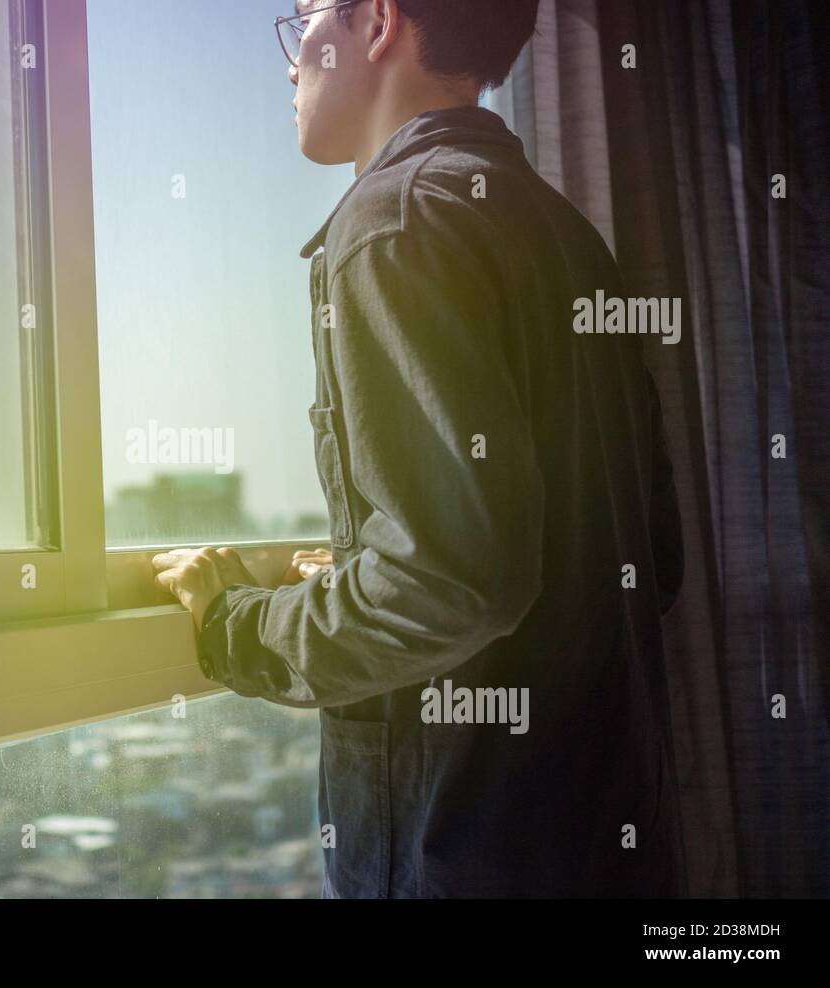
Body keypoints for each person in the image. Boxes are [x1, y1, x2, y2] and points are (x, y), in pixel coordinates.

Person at [154, 0, 686, 898]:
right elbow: (651, 557)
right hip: (604, 843)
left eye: (306, 18)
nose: (290, 63)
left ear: (378, 22)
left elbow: (448, 583)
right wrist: (368, 569)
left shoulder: (395, 220)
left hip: (462, 860)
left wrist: (233, 625)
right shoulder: (568, 238)